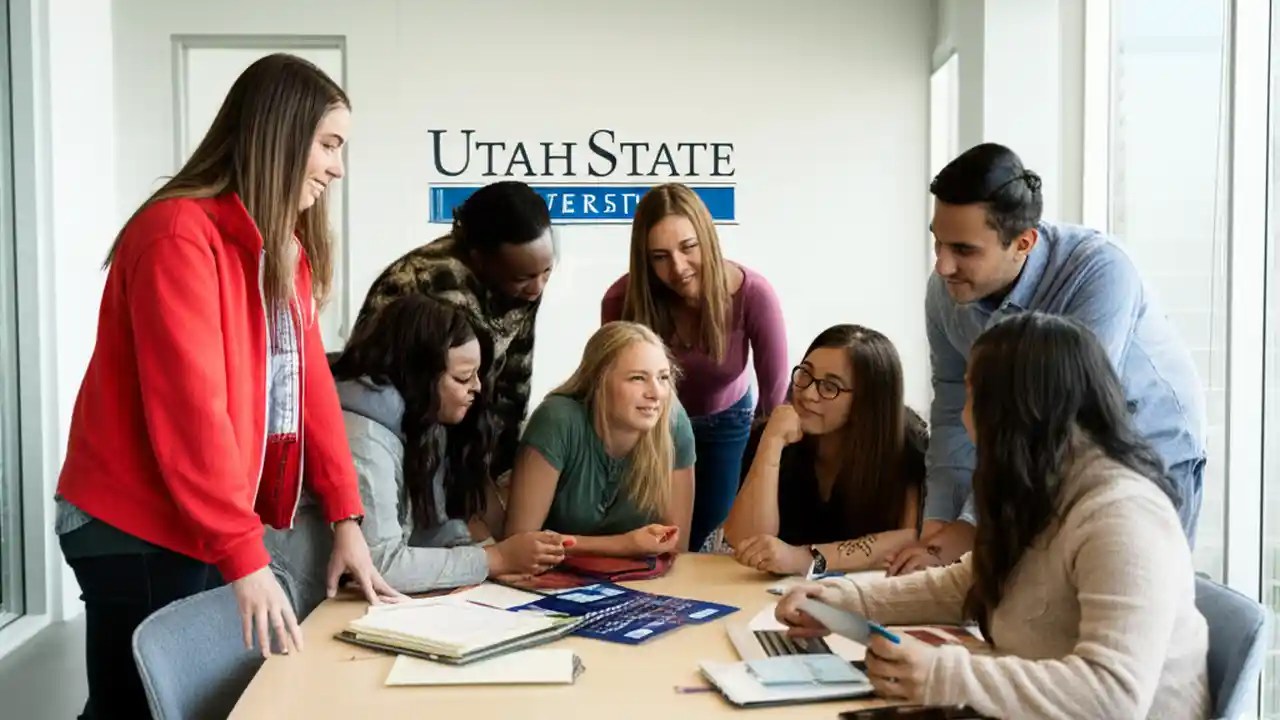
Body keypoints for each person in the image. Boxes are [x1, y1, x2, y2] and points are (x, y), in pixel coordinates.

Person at [53, 54, 400, 719]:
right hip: (132, 522)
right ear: (281, 134)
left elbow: (310, 393)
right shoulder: (176, 234)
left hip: (195, 520)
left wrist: (346, 517)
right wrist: (244, 556)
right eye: (329, 145)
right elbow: (193, 413)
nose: (337, 167)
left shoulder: (281, 250)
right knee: (141, 708)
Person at [777, 312, 1210, 720]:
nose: (963, 417)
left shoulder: (1123, 518)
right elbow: (969, 585)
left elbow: (1113, 695)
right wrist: (845, 601)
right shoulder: (1043, 487)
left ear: (1016, 411)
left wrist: (945, 674)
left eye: (972, 396)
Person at [893, 142, 1207, 575]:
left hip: (1141, 458)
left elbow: (1060, 420)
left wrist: (971, 526)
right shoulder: (946, 290)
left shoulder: (1099, 271)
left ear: (1023, 242)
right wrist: (939, 526)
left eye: (963, 250)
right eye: (937, 242)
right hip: (1037, 459)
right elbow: (951, 407)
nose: (943, 265)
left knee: (1128, 600)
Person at [267, 295, 573, 610]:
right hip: (286, 594)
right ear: (419, 376)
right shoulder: (364, 437)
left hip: (327, 600)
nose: (477, 388)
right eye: (463, 378)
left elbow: (423, 533)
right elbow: (382, 564)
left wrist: (487, 555)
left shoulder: (420, 421)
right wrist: (493, 559)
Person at [602, 183, 787, 552]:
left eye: (688, 247)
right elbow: (610, 391)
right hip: (653, 430)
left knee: (710, 538)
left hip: (726, 423)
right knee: (657, 537)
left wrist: (765, 469)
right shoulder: (620, 301)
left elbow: (777, 401)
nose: (678, 267)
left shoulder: (754, 294)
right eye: (659, 256)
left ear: (707, 238)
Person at [355, 180, 554, 479]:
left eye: (547, 271)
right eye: (523, 277)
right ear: (479, 258)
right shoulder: (418, 281)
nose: (537, 288)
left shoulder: (522, 277)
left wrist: (500, 471)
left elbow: (513, 383)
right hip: (401, 449)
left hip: (469, 451)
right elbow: (375, 391)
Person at [721, 325, 927, 575]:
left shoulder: (905, 443)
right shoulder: (774, 434)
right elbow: (748, 543)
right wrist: (771, 444)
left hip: (868, 596)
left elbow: (909, 538)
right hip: (776, 594)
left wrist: (805, 559)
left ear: (868, 401)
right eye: (804, 375)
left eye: (830, 387)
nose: (807, 394)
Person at [504, 321, 696, 556]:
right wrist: (625, 545)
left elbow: (676, 549)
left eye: (663, 377)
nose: (656, 393)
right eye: (637, 378)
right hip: (549, 576)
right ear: (599, 381)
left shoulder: (672, 420)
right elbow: (516, 546)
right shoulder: (557, 420)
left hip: (635, 582)